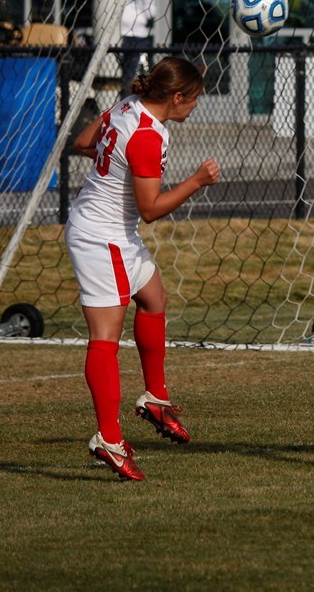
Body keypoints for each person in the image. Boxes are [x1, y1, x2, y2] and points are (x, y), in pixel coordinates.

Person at [67, 57, 221, 481]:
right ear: (175, 97)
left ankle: (155, 398)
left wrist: (109, 165)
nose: (195, 106)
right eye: (193, 99)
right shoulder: (149, 136)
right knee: (104, 339)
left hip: (113, 231)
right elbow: (151, 210)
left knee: (154, 299)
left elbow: (83, 142)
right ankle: (110, 441)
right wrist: (196, 181)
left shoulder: (126, 105)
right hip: (104, 238)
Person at [119, 0, 156, 87]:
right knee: (123, 73)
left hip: (140, 35)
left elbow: (151, 13)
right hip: (122, 35)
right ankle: (124, 98)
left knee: (139, 72)